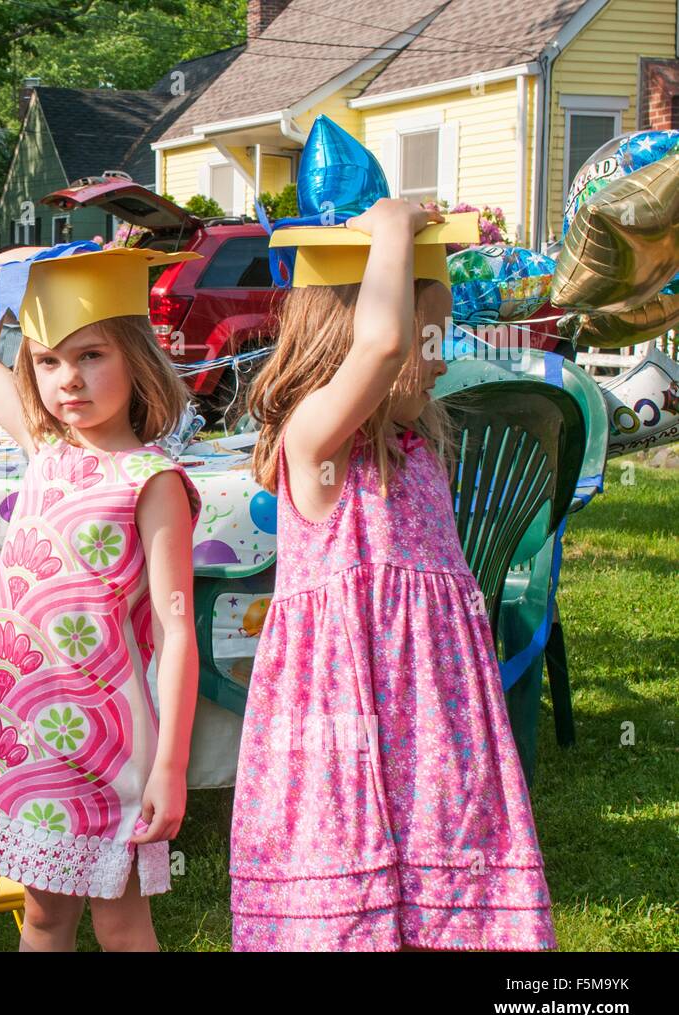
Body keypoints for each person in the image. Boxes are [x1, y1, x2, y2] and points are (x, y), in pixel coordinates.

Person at [228, 198, 556, 951]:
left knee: (440, 887)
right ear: (353, 335)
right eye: (428, 334)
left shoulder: (417, 451)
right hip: (346, 712)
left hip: (433, 717)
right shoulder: (315, 443)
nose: (442, 356)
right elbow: (379, 348)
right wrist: (394, 229)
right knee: (350, 883)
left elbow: (388, 349)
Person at [0, 242, 201, 952]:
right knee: (43, 916)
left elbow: (177, 627)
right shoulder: (44, 446)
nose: (69, 379)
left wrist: (171, 765)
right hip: (21, 728)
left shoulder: (150, 479)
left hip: (102, 740)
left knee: (122, 919)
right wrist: (10, 269)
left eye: (92, 355)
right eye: (47, 361)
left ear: (137, 358)